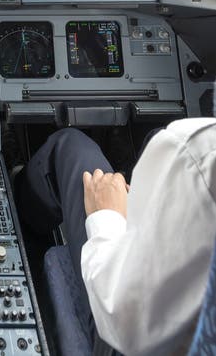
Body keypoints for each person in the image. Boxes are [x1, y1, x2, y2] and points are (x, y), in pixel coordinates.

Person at [15, 117, 216, 355]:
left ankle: (20, 197)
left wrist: (107, 217)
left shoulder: (199, 149)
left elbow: (126, 316)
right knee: (157, 136)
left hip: (130, 340)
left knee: (73, 146)